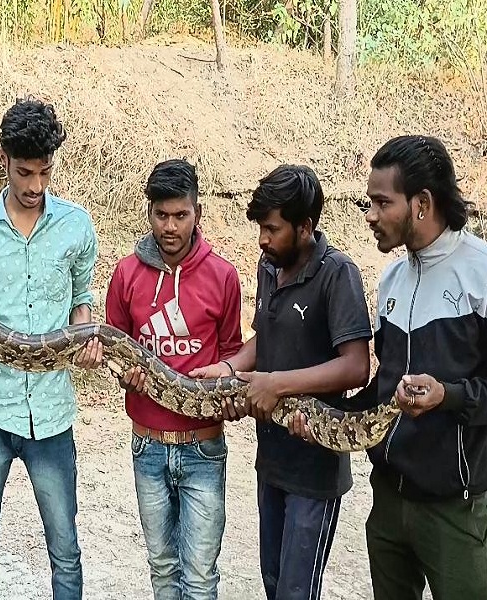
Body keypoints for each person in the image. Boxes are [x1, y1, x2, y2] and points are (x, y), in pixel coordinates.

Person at [0, 97, 101, 600]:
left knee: (65, 547)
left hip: (52, 415)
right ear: (3, 158)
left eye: (44, 172)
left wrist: (86, 334)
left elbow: (82, 301)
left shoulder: (76, 225)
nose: (34, 186)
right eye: (24, 172)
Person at [190, 164, 372, 600]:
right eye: (261, 229)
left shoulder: (338, 274)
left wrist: (276, 383)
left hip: (315, 468)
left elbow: (356, 366)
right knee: (272, 582)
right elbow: (264, 337)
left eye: (272, 229)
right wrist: (231, 368)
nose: (263, 240)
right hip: (272, 460)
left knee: (296, 591)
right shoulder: (270, 267)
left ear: (305, 226)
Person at [104, 158, 243, 599]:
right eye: (161, 215)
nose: (170, 226)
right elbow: (114, 349)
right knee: (162, 569)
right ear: (149, 214)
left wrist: (228, 375)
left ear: (196, 213)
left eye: (180, 215)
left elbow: (234, 352)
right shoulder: (126, 274)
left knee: (200, 577)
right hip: (147, 445)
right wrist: (125, 374)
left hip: (203, 446)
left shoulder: (223, 276)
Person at [359, 135, 487, 599]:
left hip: (455, 509)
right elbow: (383, 388)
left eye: (381, 202)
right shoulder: (392, 277)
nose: (370, 215)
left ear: (422, 203)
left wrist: (447, 395)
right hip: (388, 502)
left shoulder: (481, 274)